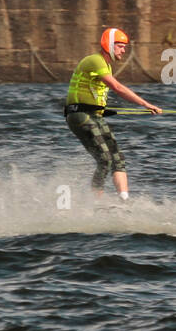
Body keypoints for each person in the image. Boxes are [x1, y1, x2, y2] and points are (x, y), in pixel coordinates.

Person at [65, 28, 162, 201]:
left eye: (124, 47)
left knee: (117, 159)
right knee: (104, 160)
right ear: (108, 45)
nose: (123, 50)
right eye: (119, 46)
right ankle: (97, 203)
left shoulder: (106, 64)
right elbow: (117, 88)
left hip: (94, 116)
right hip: (80, 115)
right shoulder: (96, 61)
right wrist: (146, 104)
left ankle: (124, 201)